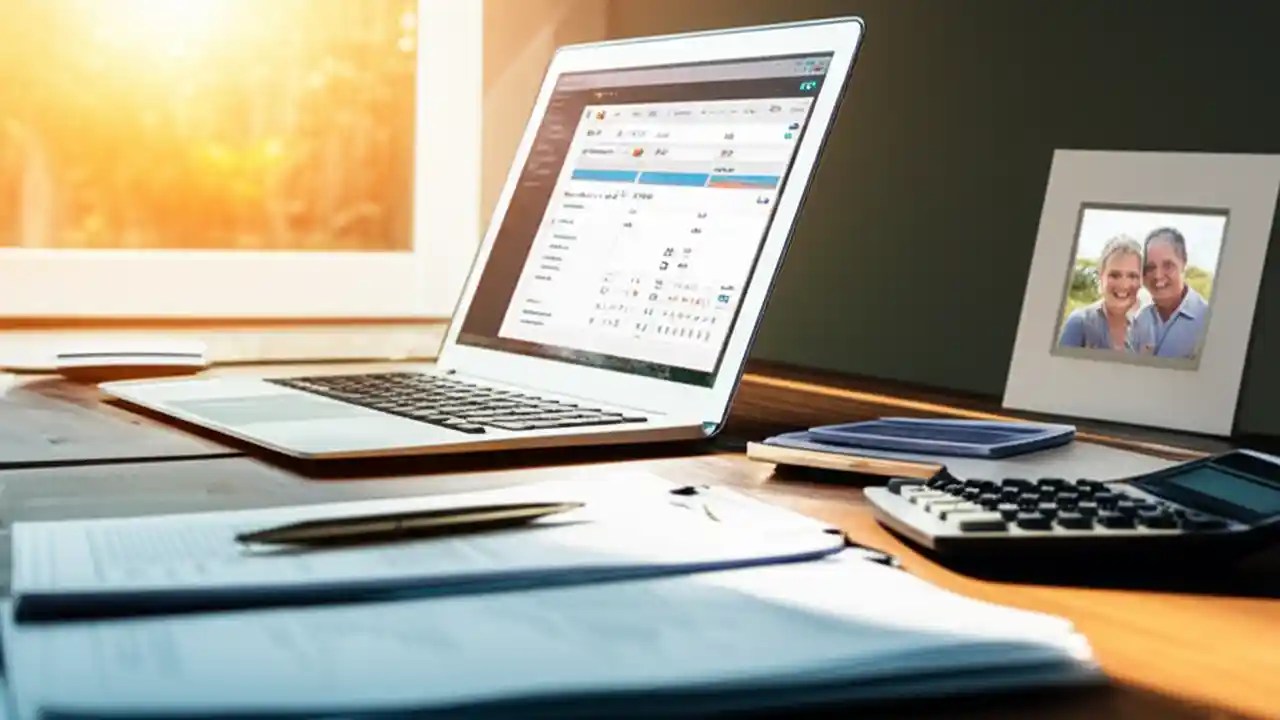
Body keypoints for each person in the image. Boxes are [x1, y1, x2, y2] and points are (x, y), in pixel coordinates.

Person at [1130, 227, 1210, 359]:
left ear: (1184, 263)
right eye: (1151, 267)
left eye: (1168, 265)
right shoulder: (1141, 319)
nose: (1158, 275)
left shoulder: (1207, 320)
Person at [1058, 235, 1143, 351]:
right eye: (1114, 275)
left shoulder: (1148, 330)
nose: (1124, 285)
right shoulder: (1080, 323)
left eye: (1132, 276)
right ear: (1101, 276)